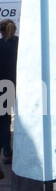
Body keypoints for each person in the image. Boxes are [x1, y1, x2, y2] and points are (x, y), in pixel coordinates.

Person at [0, 20, 17, 168]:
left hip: (3, 87)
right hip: (20, 86)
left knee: (4, 120)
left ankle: (7, 151)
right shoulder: (20, 43)